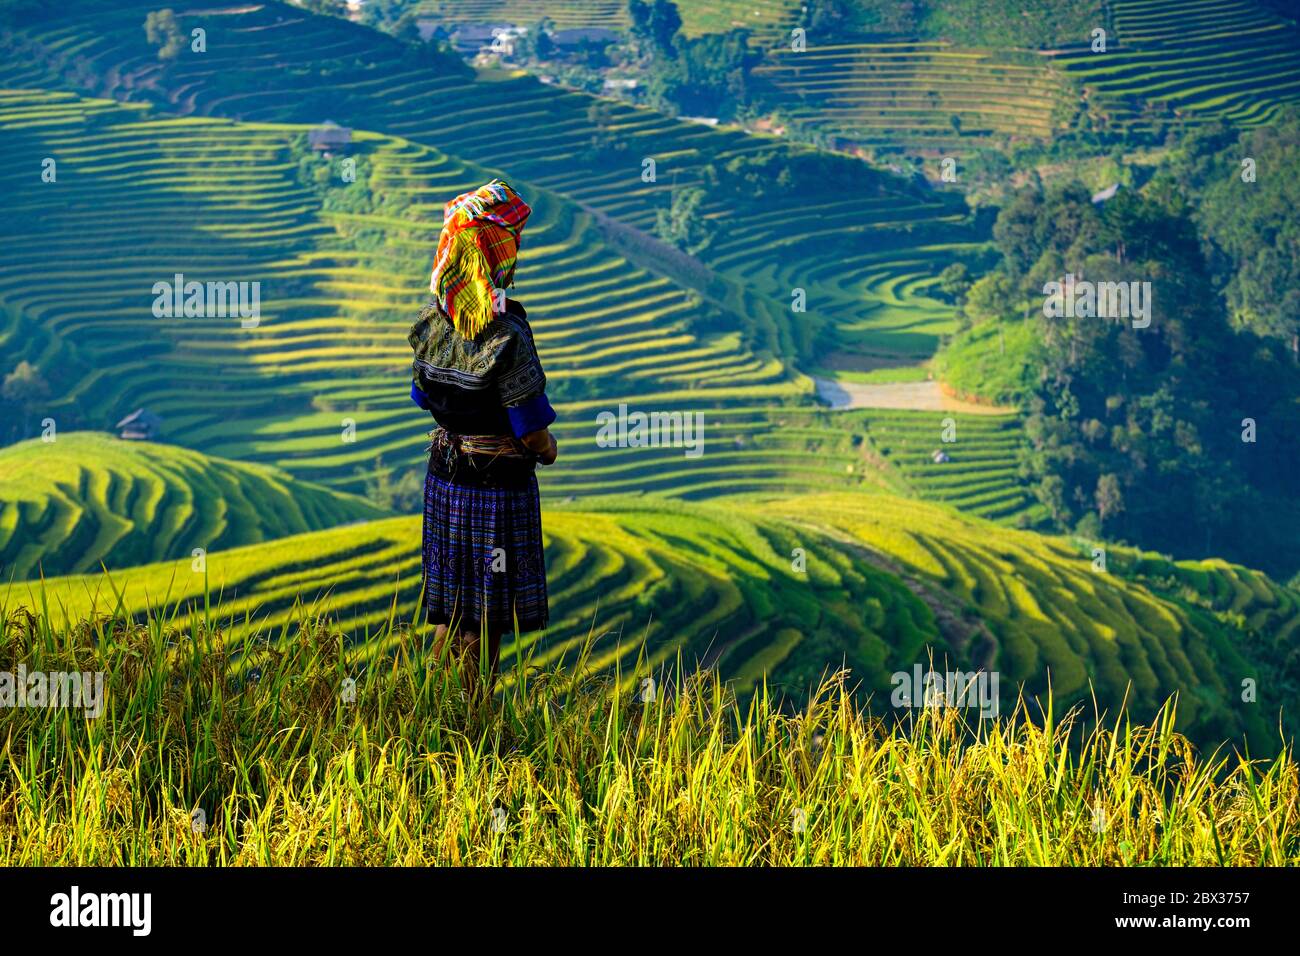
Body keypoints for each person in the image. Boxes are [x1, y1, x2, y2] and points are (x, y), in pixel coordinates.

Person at [408, 180, 558, 700]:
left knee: (452, 606)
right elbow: (531, 426)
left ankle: (434, 705)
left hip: (444, 480)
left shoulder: (430, 323)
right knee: (487, 614)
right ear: (497, 257)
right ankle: (473, 715)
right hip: (496, 490)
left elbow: (421, 396)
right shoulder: (506, 333)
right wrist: (546, 450)